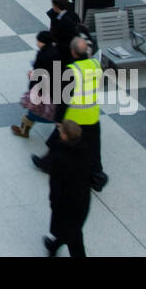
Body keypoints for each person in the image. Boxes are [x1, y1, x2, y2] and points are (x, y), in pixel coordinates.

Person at [34, 36, 107, 191]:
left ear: (73, 53)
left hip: (74, 117)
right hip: (92, 115)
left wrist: (58, 120)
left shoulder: (72, 71)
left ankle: (46, 164)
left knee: (59, 142)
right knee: (94, 148)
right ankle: (97, 176)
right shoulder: (95, 64)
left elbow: (64, 99)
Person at [43, 120, 92, 257]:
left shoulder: (59, 155)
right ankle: (54, 245)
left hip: (66, 203)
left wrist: (53, 202)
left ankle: (55, 246)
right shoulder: (85, 149)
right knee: (72, 230)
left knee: (74, 239)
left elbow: (55, 183)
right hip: (83, 199)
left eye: (61, 131)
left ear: (65, 136)